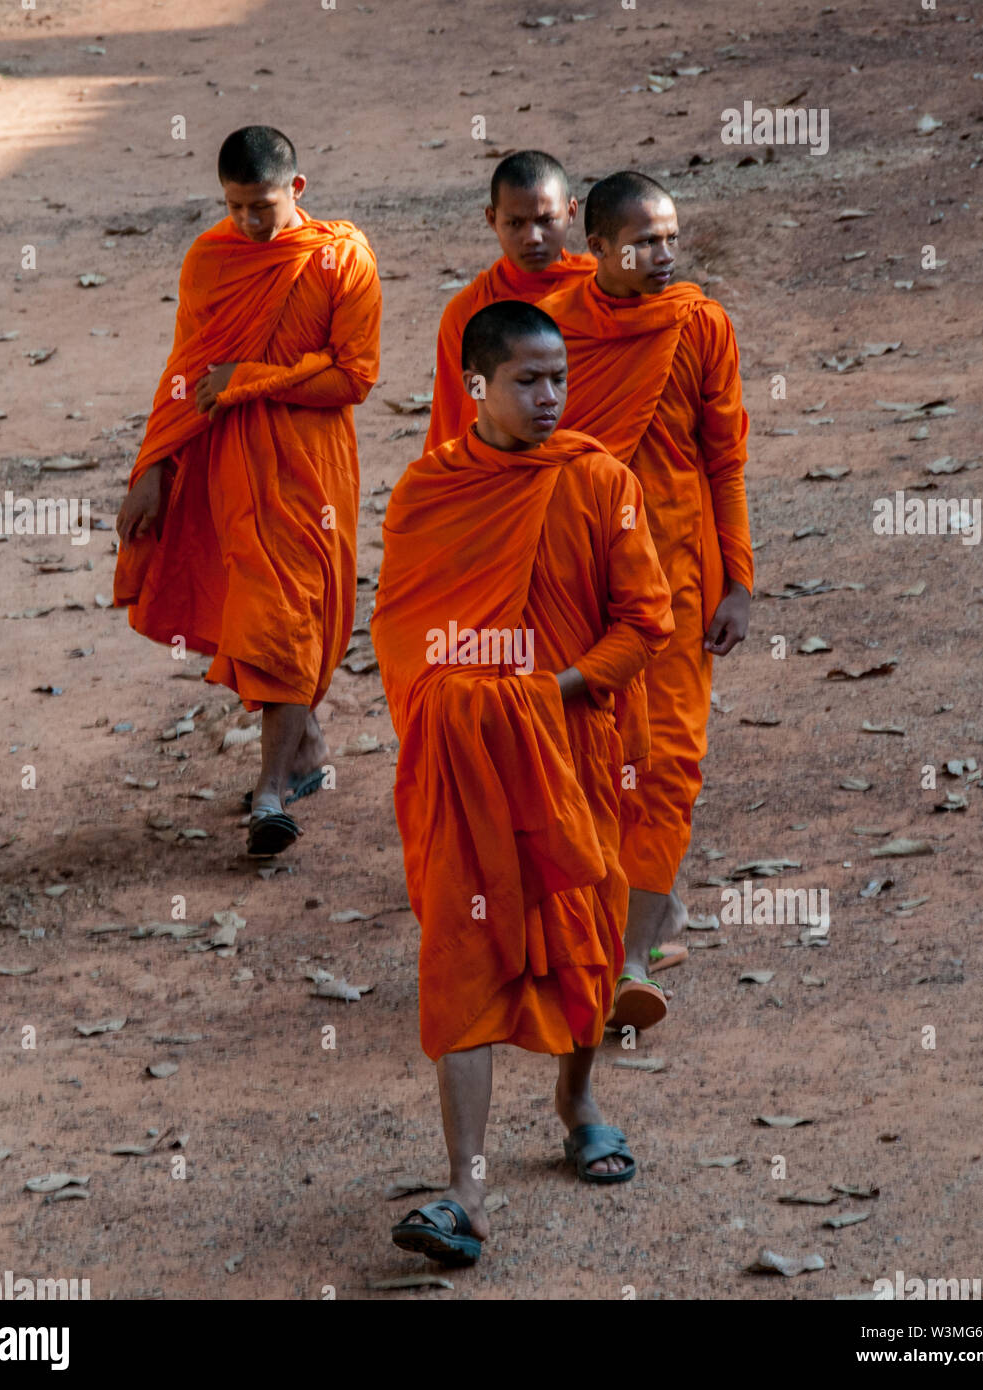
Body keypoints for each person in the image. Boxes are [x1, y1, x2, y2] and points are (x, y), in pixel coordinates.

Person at [371, 301, 674, 1265]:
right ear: (474, 389)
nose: (549, 399)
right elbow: (402, 631)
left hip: (573, 747)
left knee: (583, 938)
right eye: (526, 382)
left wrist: (554, 693)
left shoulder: (598, 480)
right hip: (465, 766)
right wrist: (466, 708)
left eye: (558, 380)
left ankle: (578, 1097)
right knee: (462, 953)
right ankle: (463, 1188)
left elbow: (644, 622)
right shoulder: (429, 490)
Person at [114, 126, 381, 857]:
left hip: (312, 468)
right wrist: (155, 469)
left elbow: (353, 377)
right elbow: (186, 368)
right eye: (236, 207)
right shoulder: (211, 259)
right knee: (258, 614)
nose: (250, 223)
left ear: (296, 190)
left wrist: (248, 379)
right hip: (231, 461)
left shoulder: (342, 259)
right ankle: (302, 753)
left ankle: (268, 794)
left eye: (261, 206)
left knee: (288, 614)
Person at [539, 171, 753, 1031]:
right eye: (642, 242)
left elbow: (724, 458)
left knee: (665, 764)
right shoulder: (555, 331)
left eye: (671, 237)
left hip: (677, 578)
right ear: (595, 249)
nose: (663, 255)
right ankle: (604, 928)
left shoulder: (699, 325)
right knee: (586, 762)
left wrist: (739, 580)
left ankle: (630, 960)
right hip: (580, 579)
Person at [423, 150, 595, 452]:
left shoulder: (601, 293)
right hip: (498, 475)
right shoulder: (469, 310)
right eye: (515, 224)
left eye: (546, 220)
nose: (532, 237)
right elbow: (452, 416)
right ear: (492, 219)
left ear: (571, 212)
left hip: (592, 476)